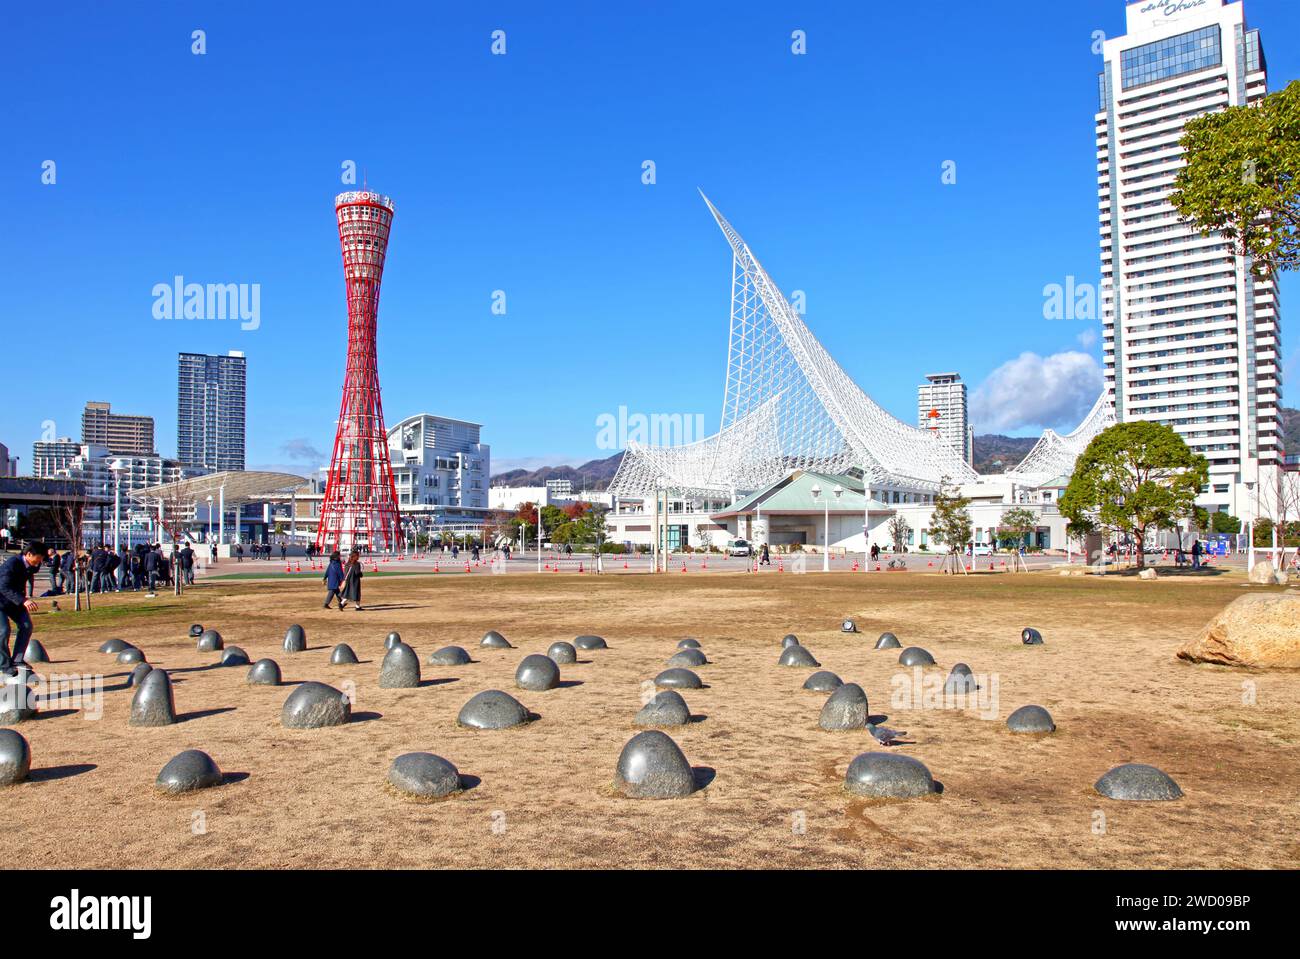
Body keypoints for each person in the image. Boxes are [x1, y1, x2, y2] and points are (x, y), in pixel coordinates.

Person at [0, 542, 45, 676]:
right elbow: (3, 587)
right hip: (1, 601)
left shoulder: (32, 565)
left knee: (26, 626)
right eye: (39, 557)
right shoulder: (11, 565)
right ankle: (4, 665)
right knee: (3, 630)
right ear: (29, 554)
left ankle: (18, 659)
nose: (40, 561)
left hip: (14, 602)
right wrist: (24, 600)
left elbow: (34, 568)